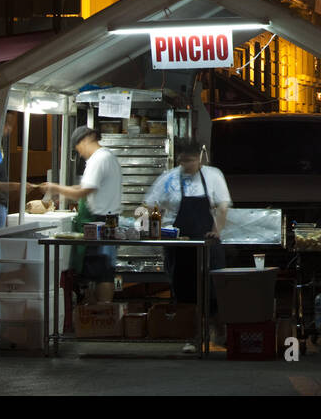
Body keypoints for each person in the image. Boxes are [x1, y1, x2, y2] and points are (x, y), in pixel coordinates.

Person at [138, 138, 231, 353]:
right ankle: (192, 336)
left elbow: (223, 206)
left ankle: (220, 333)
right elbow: (148, 205)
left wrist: (216, 231)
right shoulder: (168, 178)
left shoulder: (213, 175)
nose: (186, 165)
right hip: (178, 245)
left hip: (207, 242)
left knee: (214, 291)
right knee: (184, 291)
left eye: (190, 161)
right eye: (182, 161)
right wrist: (144, 226)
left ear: (199, 158)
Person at [41, 126, 124, 303]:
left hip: (101, 222)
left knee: (103, 273)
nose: (79, 154)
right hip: (107, 221)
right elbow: (83, 187)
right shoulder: (106, 157)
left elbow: (83, 192)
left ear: (86, 140)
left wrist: (55, 188)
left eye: (78, 149)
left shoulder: (99, 159)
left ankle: (102, 314)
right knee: (101, 271)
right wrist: (62, 190)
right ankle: (98, 314)